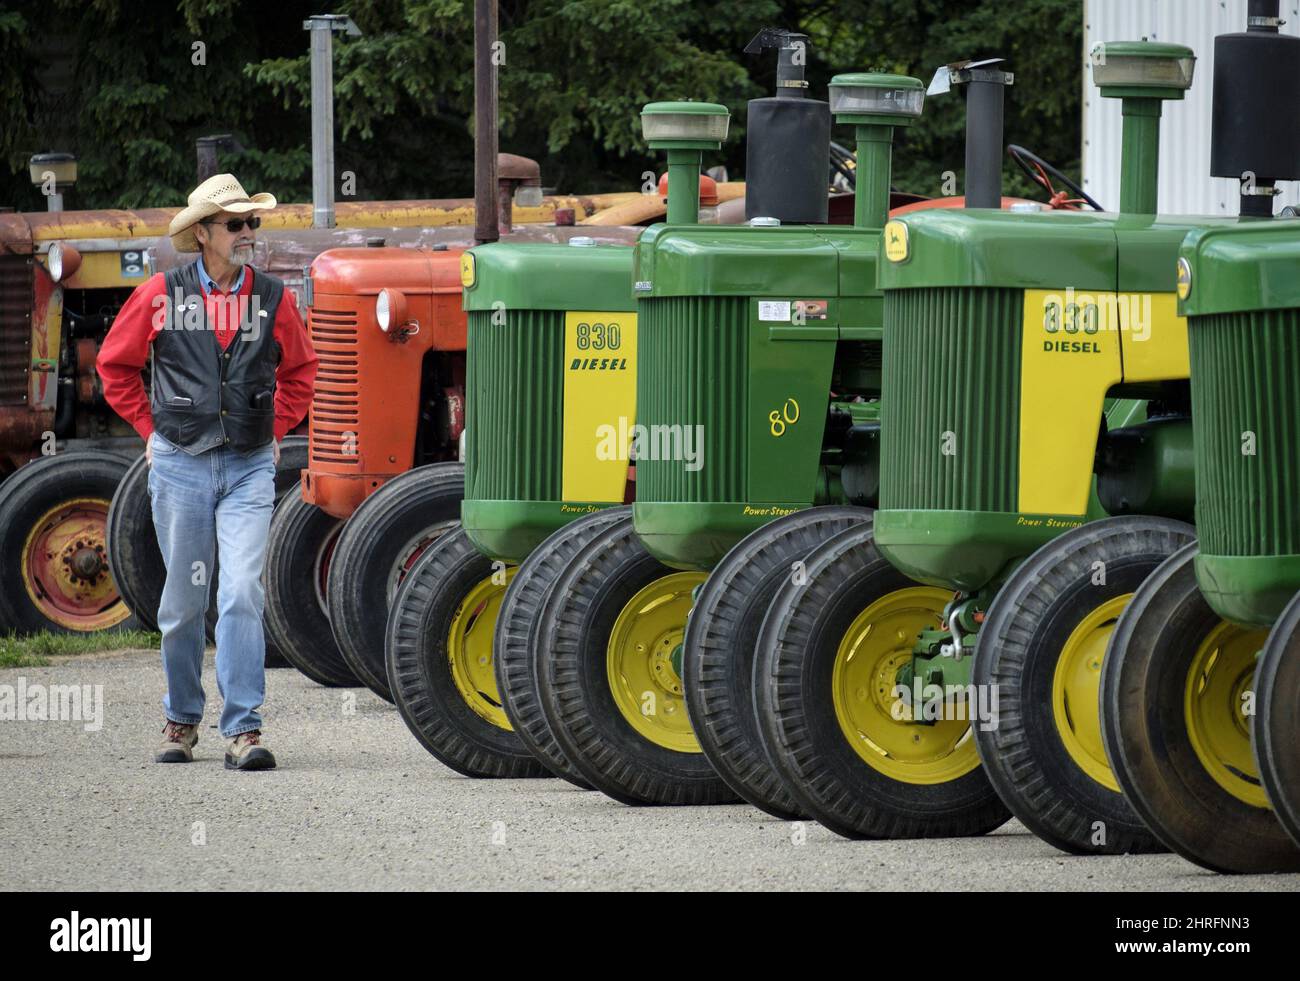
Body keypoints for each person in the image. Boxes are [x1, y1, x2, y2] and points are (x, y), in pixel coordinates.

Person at [97, 173, 317, 770]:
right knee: (184, 601)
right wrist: (150, 432)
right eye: (235, 224)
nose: (248, 233)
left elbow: (301, 372)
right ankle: (181, 719)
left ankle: (244, 729)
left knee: (242, 591)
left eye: (253, 222)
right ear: (202, 234)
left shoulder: (274, 298)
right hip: (181, 466)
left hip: (247, 467)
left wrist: (274, 431)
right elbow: (114, 366)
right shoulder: (159, 295)